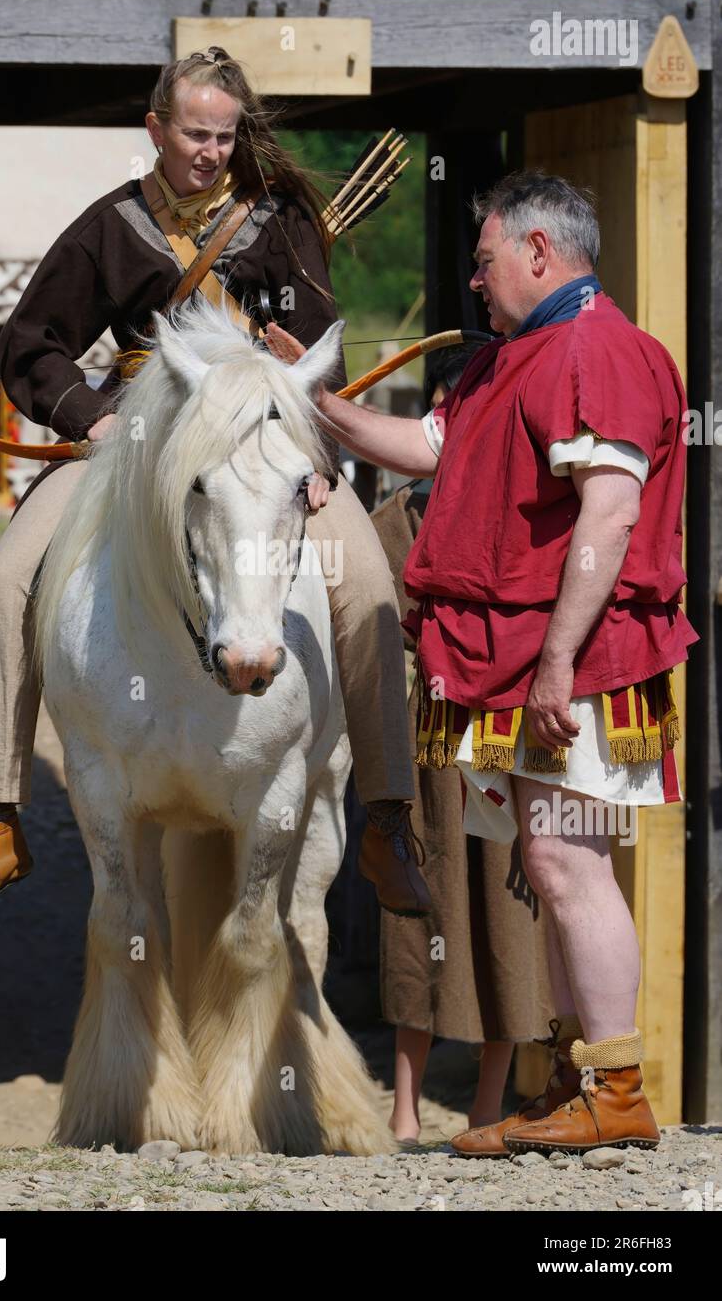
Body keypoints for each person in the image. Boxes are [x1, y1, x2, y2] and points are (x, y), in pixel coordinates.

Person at [0, 46, 430, 918]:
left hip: (272, 446)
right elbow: (30, 343)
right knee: (9, 572)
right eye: (195, 133)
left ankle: (387, 817)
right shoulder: (109, 225)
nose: (211, 151)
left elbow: (322, 352)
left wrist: (311, 451)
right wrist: (93, 418)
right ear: (154, 128)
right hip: (139, 440)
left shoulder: (283, 218)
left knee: (367, 585)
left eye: (225, 136)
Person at [276, 170, 698, 1154]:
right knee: (548, 868)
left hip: (579, 666)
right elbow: (425, 447)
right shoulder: (513, 359)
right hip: (518, 664)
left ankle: (619, 1087)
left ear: (538, 252)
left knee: (565, 860)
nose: (474, 280)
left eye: (484, 259)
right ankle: (574, 1078)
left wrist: (557, 659)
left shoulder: (601, 349)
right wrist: (320, 403)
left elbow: (610, 512)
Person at [370, 345, 555, 1145]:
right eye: (446, 413)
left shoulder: (533, 513)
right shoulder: (390, 520)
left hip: (511, 730)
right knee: (419, 904)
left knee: (508, 908)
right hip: (429, 734)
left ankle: (489, 1105)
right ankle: (404, 1107)